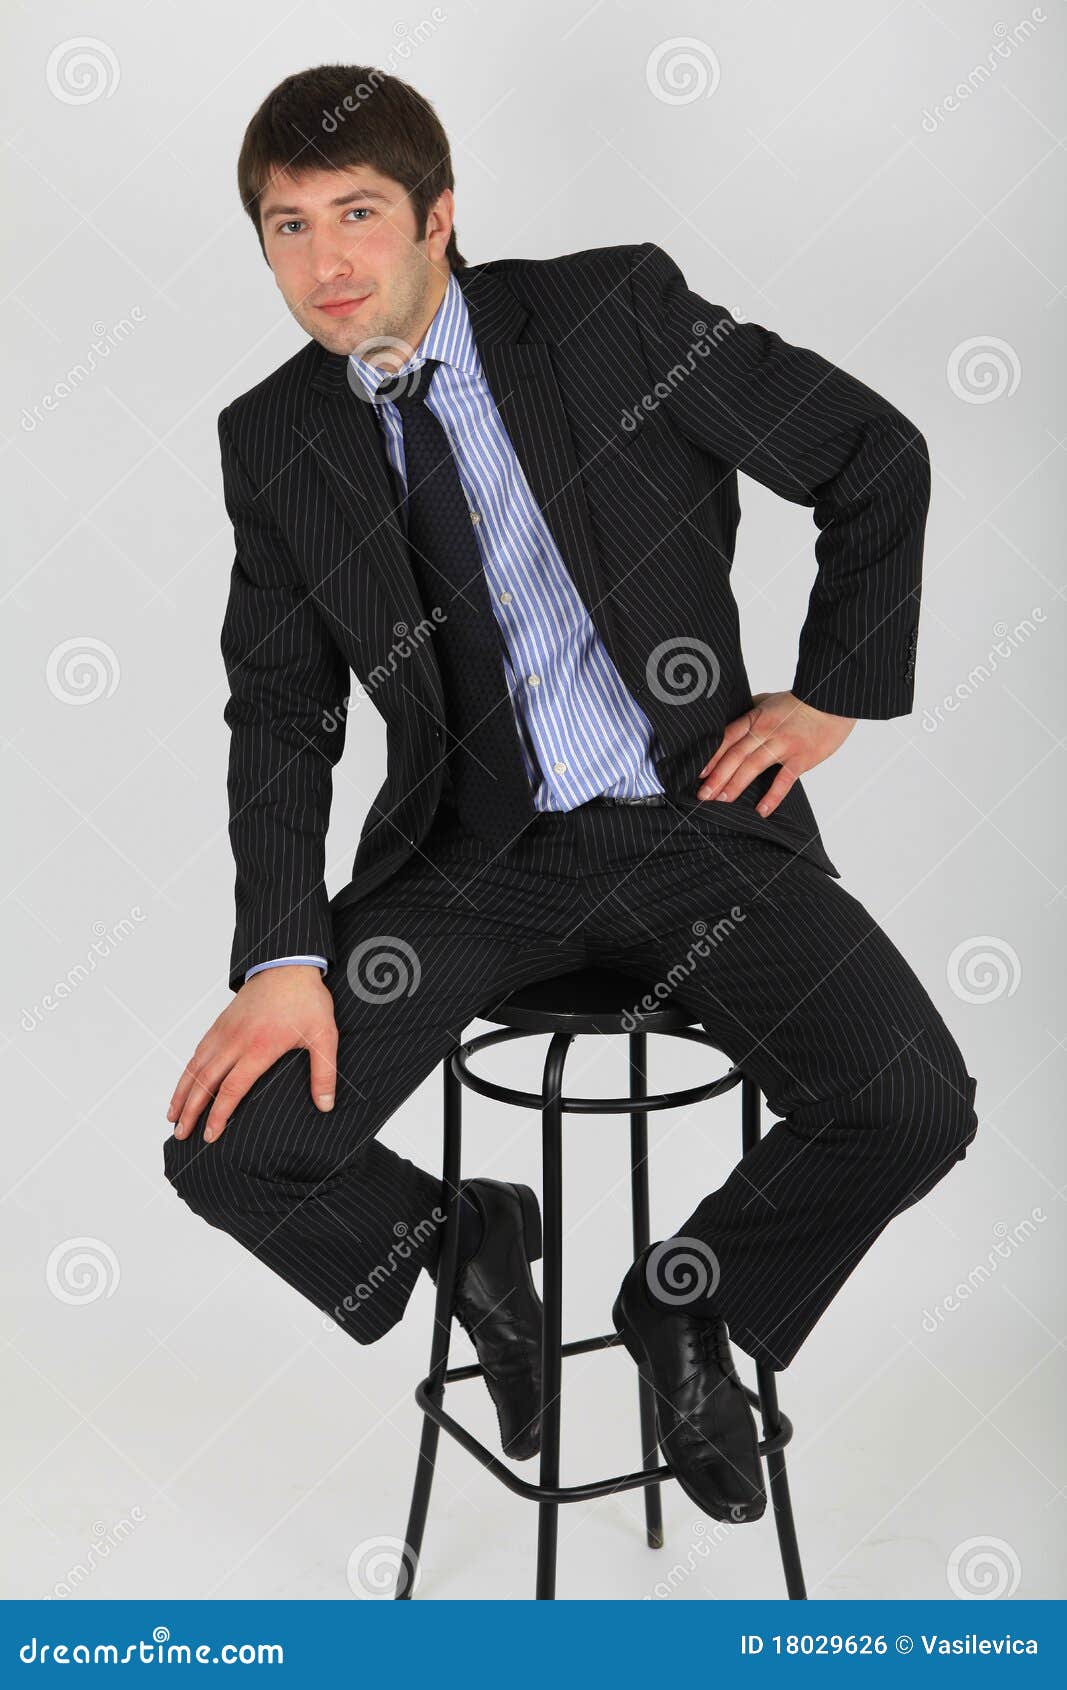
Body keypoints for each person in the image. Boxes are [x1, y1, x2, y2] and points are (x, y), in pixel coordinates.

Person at [164, 64, 979, 1522]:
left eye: (359, 214)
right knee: (233, 1150)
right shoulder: (276, 437)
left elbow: (873, 455)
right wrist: (282, 957)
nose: (328, 262)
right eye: (289, 226)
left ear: (439, 216)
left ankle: (689, 1300)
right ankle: (468, 1237)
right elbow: (280, 710)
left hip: (693, 825)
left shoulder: (609, 318)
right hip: (468, 865)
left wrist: (832, 691)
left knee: (910, 1100)